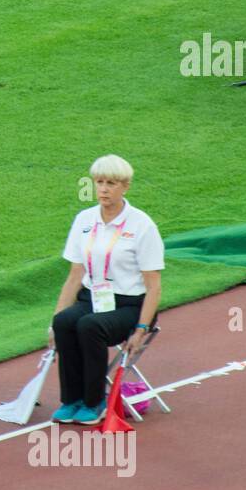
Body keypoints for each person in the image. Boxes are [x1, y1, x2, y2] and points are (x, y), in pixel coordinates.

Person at [48, 155, 164, 424]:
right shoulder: (84, 220)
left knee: (90, 326)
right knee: (64, 322)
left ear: (125, 186)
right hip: (93, 298)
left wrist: (141, 328)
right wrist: (53, 321)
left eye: (111, 183)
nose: (103, 189)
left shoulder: (141, 225)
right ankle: (72, 399)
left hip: (131, 304)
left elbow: (153, 285)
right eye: (99, 182)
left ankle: (95, 401)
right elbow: (75, 275)